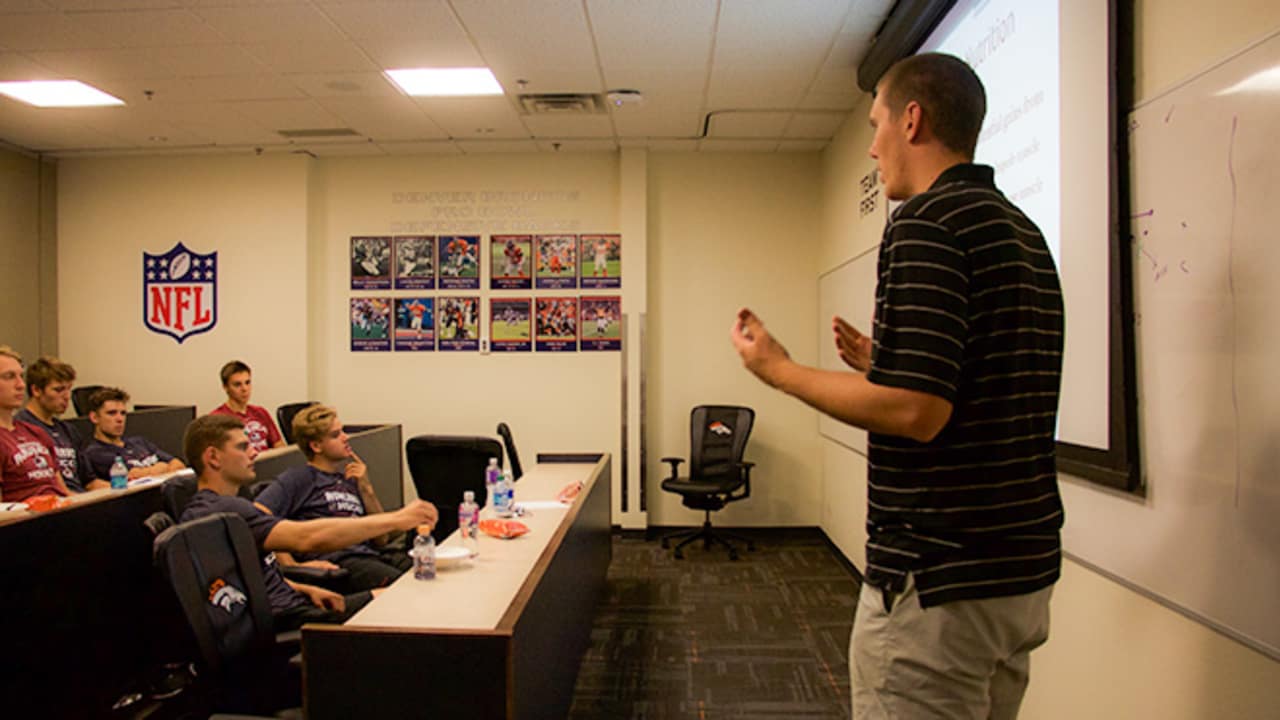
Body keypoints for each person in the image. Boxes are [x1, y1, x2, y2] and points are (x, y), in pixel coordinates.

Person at [730, 53, 1064, 720]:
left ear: (912, 120)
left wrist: (779, 369)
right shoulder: (1022, 232)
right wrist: (888, 358)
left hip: (939, 579)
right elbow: (980, 383)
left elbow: (917, 411)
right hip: (1017, 575)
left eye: (877, 121)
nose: (871, 143)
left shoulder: (926, 223)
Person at [180, 414, 438, 631]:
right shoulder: (224, 512)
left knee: (407, 590)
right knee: (404, 597)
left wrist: (301, 588)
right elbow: (307, 537)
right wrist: (397, 518)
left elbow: (245, 576)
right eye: (242, 447)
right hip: (289, 620)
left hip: (297, 603)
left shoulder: (217, 508)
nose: (254, 452)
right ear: (213, 457)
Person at [256, 405, 413, 592]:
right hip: (338, 560)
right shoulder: (299, 478)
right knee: (403, 589)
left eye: (343, 431)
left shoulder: (349, 478)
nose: (345, 438)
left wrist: (366, 488)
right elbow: (259, 521)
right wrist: (291, 566)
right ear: (316, 446)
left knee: (424, 571)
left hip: (369, 555)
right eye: (336, 435)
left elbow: (381, 539)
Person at [15, 356, 105, 492]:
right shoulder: (20, 427)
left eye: (68, 389)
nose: (66, 396)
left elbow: (89, 481)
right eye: (58, 390)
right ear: (36, 391)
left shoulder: (68, 430)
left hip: (79, 499)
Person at [0, 346, 69, 502]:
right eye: (9, 376)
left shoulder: (36, 433)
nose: (21, 385)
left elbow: (63, 491)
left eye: (21, 376)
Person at [81, 387, 187, 481]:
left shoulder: (139, 441)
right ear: (94, 417)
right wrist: (162, 467)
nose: (120, 419)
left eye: (123, 413)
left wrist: (153, 470)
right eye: (112, 413)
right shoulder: (96, 453)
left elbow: (178, 463)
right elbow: (133, 477)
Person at [210, 360, 285, 453]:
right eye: (237, 385)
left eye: (247, 382)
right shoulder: (217, 418)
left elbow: (279, 446)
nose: (244, 389)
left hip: (267, 462)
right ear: (225, 387)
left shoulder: (261, 412)